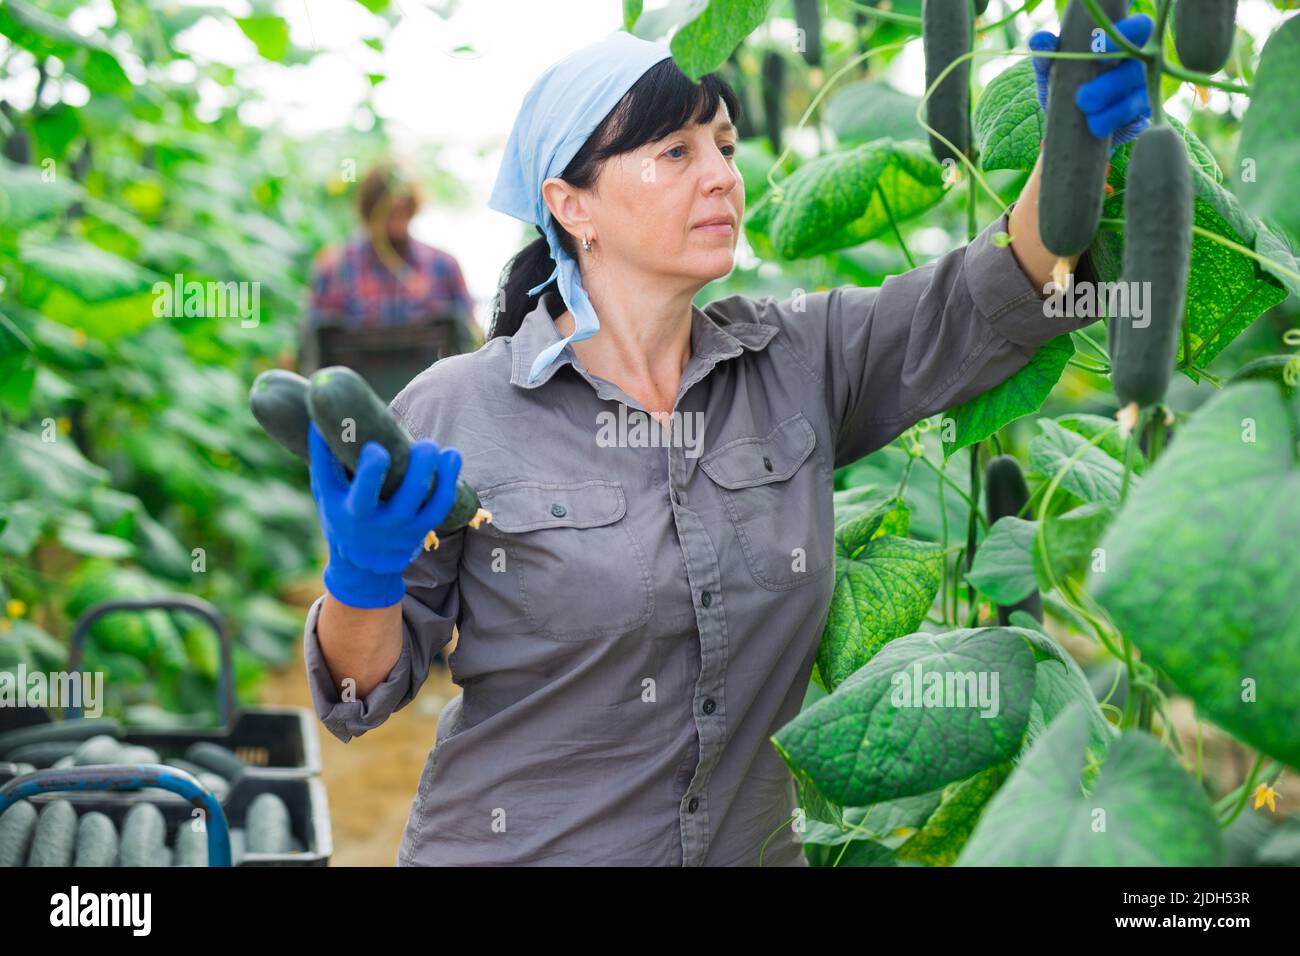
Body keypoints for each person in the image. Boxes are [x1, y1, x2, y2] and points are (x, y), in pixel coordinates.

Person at [298, 18, 1153, 866]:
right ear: (571, 203)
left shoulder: (802, 358)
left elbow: (1005, 290)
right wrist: (362, 575)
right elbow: (358, 697)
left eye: (726, 146)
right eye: (675, 152)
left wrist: (1077, 152)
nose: (720, 177)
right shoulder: (460, 406)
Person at [303, 162, 481, 349]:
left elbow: (469, 336)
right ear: (369, 210)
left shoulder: (443, 266)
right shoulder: (334, 268)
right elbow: (313, 345)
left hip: (430, 376)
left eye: (402, 210)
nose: (396, 221)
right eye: (388, 212)